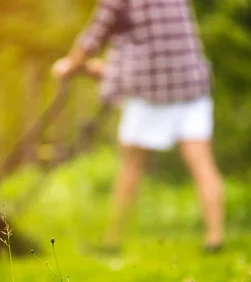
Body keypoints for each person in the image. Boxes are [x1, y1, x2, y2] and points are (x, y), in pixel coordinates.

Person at [51, 0, 224, 252]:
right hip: (191, 87)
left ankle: (112, 239)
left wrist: (70, 65)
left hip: (149, 95)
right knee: (202, 163)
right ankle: (215, 238)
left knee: (131, 166)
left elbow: (94, 37)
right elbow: (151, 45)